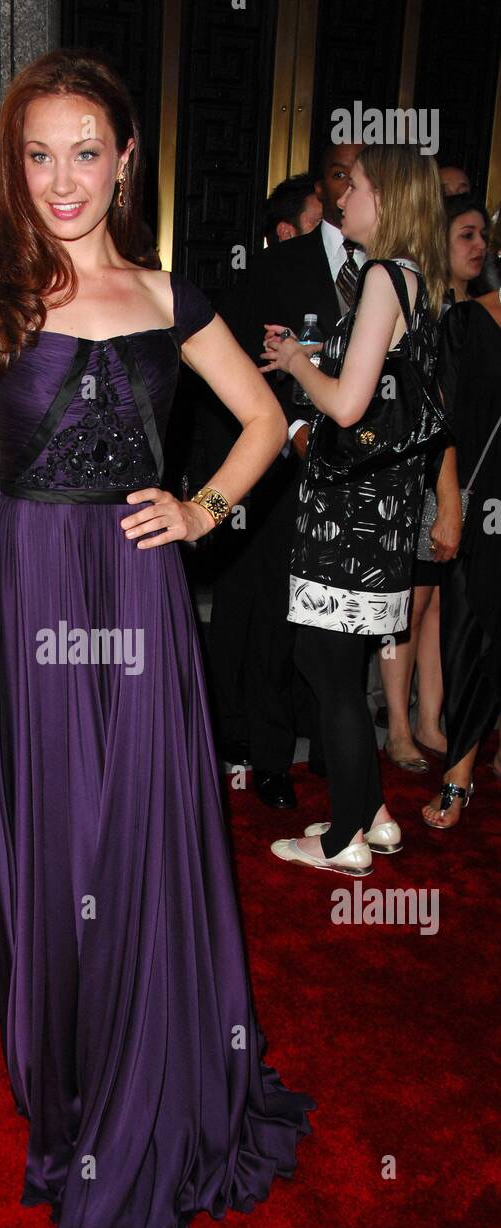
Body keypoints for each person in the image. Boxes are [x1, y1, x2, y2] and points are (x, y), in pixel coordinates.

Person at [0, 49, 315, 1228]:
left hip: (137, 598)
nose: (61, 178)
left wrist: (201, 511)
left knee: (142, 833)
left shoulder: (165, 297)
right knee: (52, 845)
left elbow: (264, 422)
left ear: (125, 158)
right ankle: (77, 1099)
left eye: (84, 151)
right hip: (26, 591)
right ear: (13, 163)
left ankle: (159, 1088)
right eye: (38, 154)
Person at [260, 145, 448, 875]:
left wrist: (297, 364)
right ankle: (369, 815)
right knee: (338, 662)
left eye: (358, 186)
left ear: (389, 198)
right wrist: (313, 356)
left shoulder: (380, 277)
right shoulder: (415, 282)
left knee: (326, 666)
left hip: (351, 511)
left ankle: (342, 841)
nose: (343, 199)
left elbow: (346, 403)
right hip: (383, 509)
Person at [207, 139, 364, 810]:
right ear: (325, 183)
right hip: (286, 469)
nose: (349, 184)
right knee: (274, 614)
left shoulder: (392, 268)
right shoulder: (278, 266)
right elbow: (239, 367)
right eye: (340, 172)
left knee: (351, 624)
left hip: (367, 473)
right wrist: (290, 432)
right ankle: (270, 757)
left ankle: (340, 754)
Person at [378, 194, 492, 773]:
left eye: (483, 237)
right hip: (426, 476)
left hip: (469, 478)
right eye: (467, 235)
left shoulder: (478, 311)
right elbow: (430, 409)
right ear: (440, 239)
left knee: (440, 605)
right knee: (411, 605)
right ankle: (399, 726)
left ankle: (428, 719)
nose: (480, 247)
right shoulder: (428, 309)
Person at [421, 287, 501, 827]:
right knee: (469, 626)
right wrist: (448, 503)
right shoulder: (468, 322)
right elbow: (440, 420)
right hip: (482, 499)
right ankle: (459, 771)